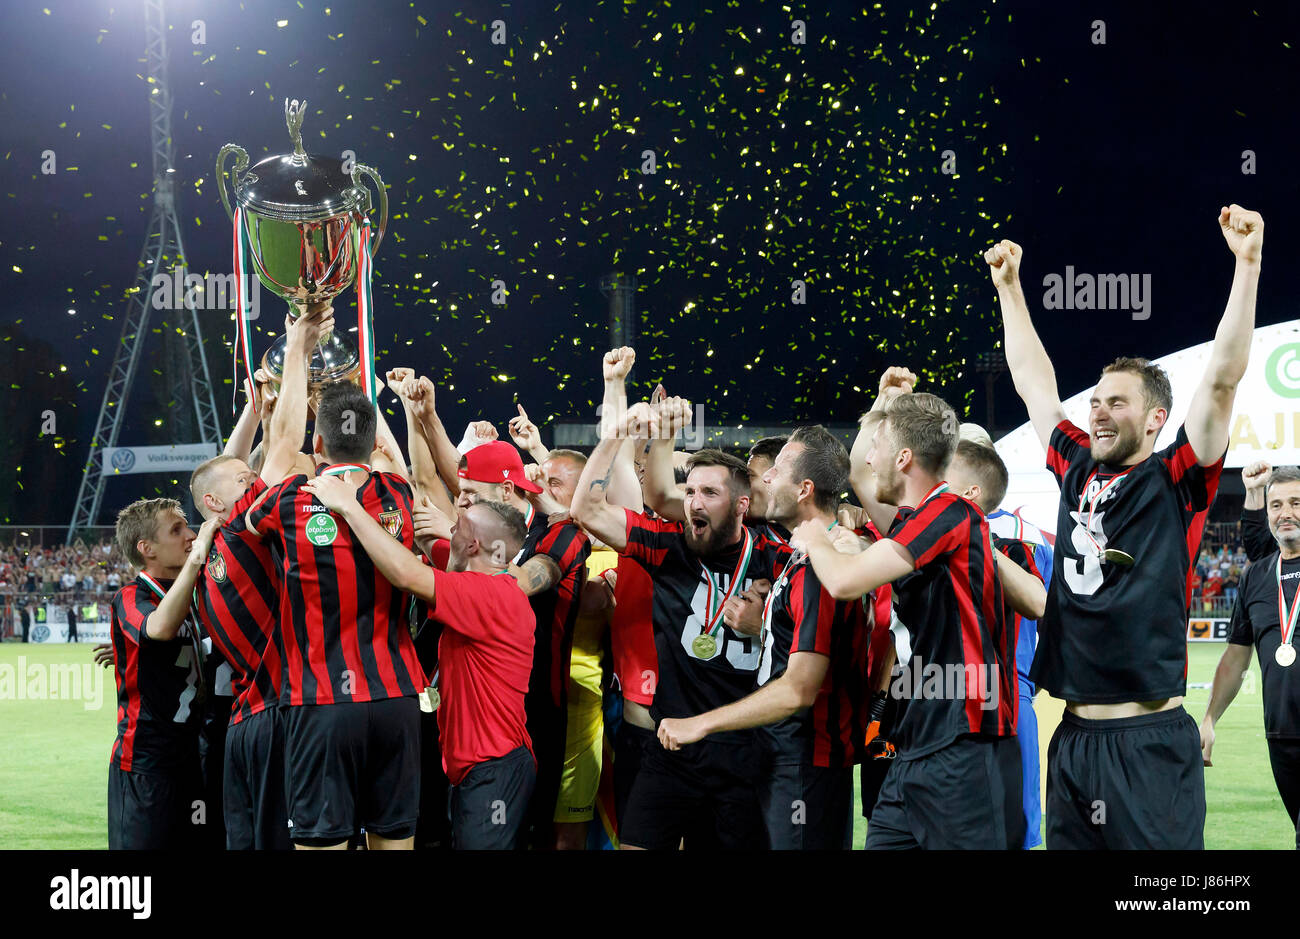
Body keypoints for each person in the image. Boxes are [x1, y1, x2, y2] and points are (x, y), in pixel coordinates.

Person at [986, 203, 1262, 849]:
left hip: (1149, 743)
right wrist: (1010, 290)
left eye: (1117, 401)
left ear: (1157, 418)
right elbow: (1034, 385)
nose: (1099, 411)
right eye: (1096, 400)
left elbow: (1222, 379)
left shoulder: (1177, 477)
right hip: (1074, 741)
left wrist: (1246, 266)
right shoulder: (1075, 462)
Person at [794, 389, 1041, 849]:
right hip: (915, 742)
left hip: (963, 741)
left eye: (879, 449)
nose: (870, 460)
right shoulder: (919, 520)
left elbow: (845, 582)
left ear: (904, 457)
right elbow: (862, 480)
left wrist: (818, 538)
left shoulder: (950, 511)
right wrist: (881, 406)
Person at [571, 392, 786, 850]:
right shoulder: (668, 547)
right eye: (690, 491)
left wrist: (764, 619)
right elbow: (586, 511)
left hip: (742, 758)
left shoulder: (779, 561)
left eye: (709, 492)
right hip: (669, 749)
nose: (694, 502)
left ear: (743, 505)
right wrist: (613, 437)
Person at [656, 425, 871, 849]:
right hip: (783, 754)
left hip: (806, 762)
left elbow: (798, 690)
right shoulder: (802, 557)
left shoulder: (820, 568)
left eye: (777, 471)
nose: (765, 477)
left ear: (805, 488)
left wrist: (701, 723)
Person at [302, 478, 537, 850]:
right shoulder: (483, 582)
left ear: (474, 545)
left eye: (455, 528)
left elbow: (407, 574)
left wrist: (349, 506)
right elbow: (434, 552)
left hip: (495, 770)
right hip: (480, 768)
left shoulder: (490, 595)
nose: (445, 530)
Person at [246, 381, 425, 850]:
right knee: (394, 842)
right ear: (373, 446)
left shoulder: (287, 498)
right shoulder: (398, 495)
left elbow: (276, 461)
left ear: (318, 443)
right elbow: (390, 460)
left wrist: (297, 358)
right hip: (398, 697)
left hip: (322, 700)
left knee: (321, 843)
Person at [945, 437, 1053, 850]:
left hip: (959, 691)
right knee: (1014, 823)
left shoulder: (1008, 535)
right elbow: (1051, 624)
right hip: (1007, 694)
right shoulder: (1031, 536)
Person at [107, 498, 220, 850]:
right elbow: (158, 630)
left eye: (188, 527)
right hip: (145, 764)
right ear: (147, 549)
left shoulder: (196, 595)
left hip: (193, 758)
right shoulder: (130, 596)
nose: (189, 536)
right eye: (176, 530)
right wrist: (198, 558)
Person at [1202, 465, 1300, 848]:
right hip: (1282, 734)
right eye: (1276, 505)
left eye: (1296, 502)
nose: (1285, 513)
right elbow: (1236, 657)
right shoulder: (1258, 575)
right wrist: (1209, 717)